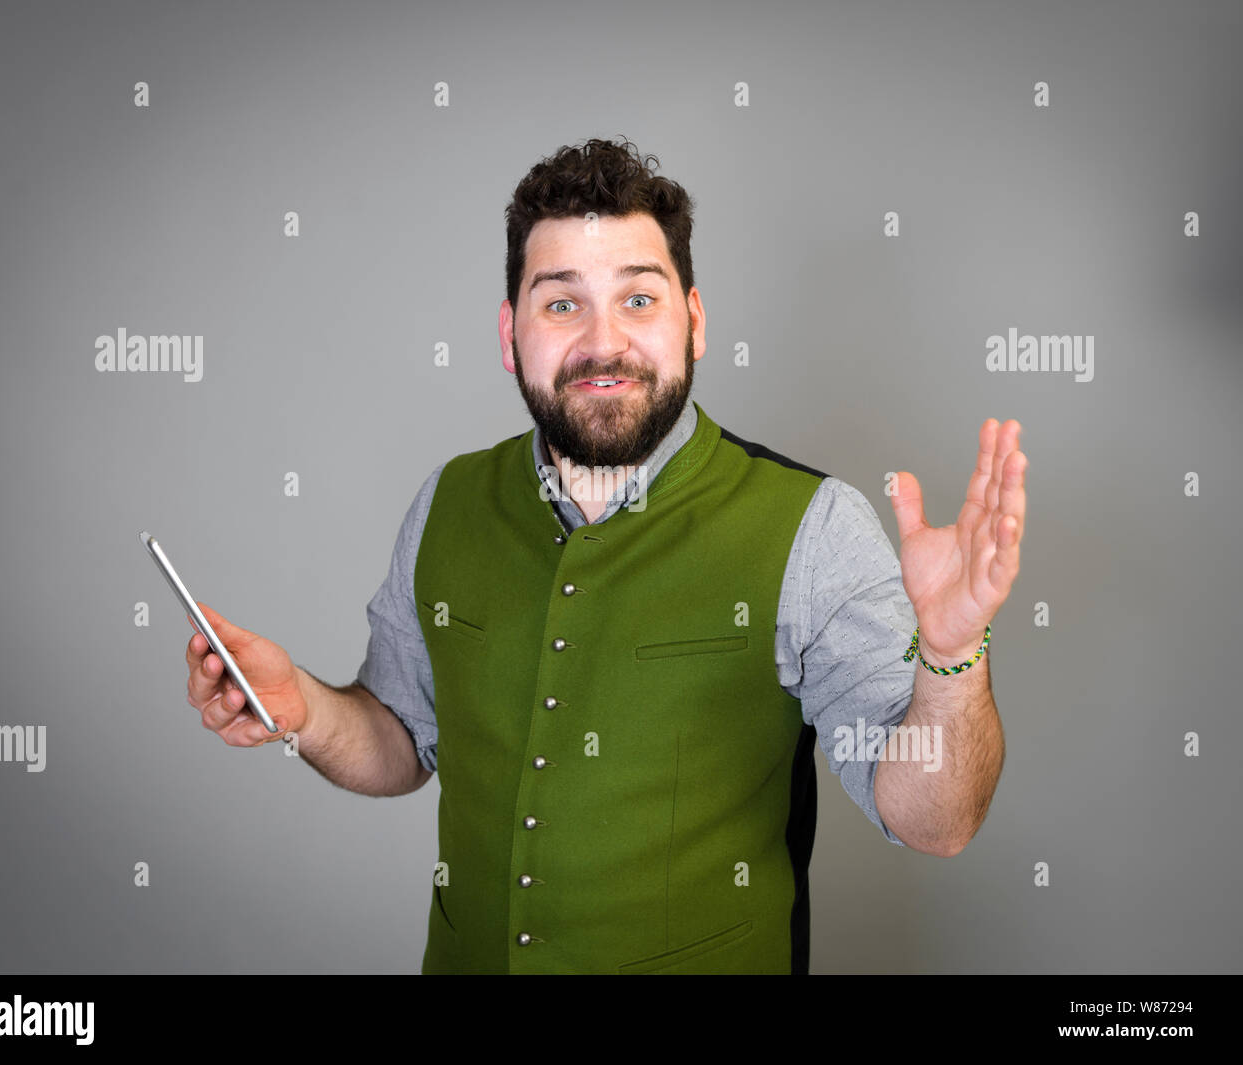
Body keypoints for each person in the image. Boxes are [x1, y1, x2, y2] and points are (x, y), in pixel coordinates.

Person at [183, 137, 1027, 974]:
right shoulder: (447, 502)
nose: (601, 341)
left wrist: (951, 657)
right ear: (511, 335)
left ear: (694, 322)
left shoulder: (815, 526)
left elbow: (934, 820)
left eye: (638, 299)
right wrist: (303, 708)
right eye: (561, 304)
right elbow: (402, 736)